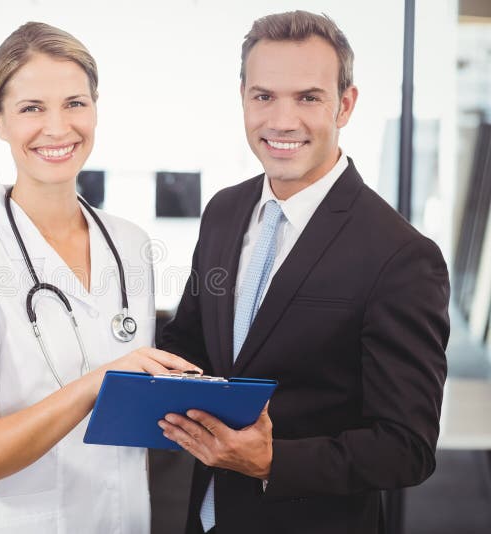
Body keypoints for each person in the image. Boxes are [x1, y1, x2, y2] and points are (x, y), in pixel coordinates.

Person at [157, 11, 450, 534]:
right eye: (264, 96)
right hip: (205, 519)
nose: (282, 121)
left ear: (346, 104)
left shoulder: (401, 256)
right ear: (243, 97)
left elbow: (407, 447)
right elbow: (193, 344)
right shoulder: (224, 212)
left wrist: (273, 462)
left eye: (308, 98)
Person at [0, 22, 200, 534]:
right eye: (32, 108)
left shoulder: (131, 245)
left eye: (75, 103)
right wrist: (97, 383)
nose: (58, 128)